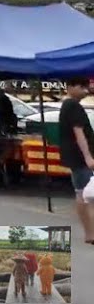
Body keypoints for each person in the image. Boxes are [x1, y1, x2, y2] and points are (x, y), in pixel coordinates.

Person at [57, 76, 94, 244]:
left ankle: (90, 233)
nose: (86, 91)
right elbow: (79, 133)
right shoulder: (72, 105)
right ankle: (90, 232)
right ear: (71, 86)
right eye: (82, 87)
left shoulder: (67, 105)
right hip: (80, 158)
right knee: (87, 195)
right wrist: (88, 156)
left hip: (74, 157)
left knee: (82, 192)